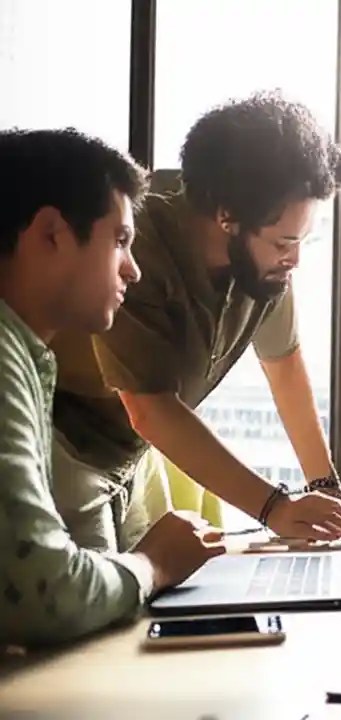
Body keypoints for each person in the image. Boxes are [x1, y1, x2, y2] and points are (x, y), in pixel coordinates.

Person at [49, 91, 341, 553]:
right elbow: (149, 409)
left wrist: (324, 488)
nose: (295, 259)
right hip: (63, 446)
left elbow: (284, 367)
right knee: (94, 606)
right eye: (285, 241)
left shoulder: (262, 267)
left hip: (133, 455)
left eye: (304, 240)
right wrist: (275, 509)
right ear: (227, 216)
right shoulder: (137, 247)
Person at [1, 128, 224, 647]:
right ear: (51, 232)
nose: (134, 269)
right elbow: (48, 592)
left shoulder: (27, 353)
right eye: (120, 241)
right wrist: (155, 563)